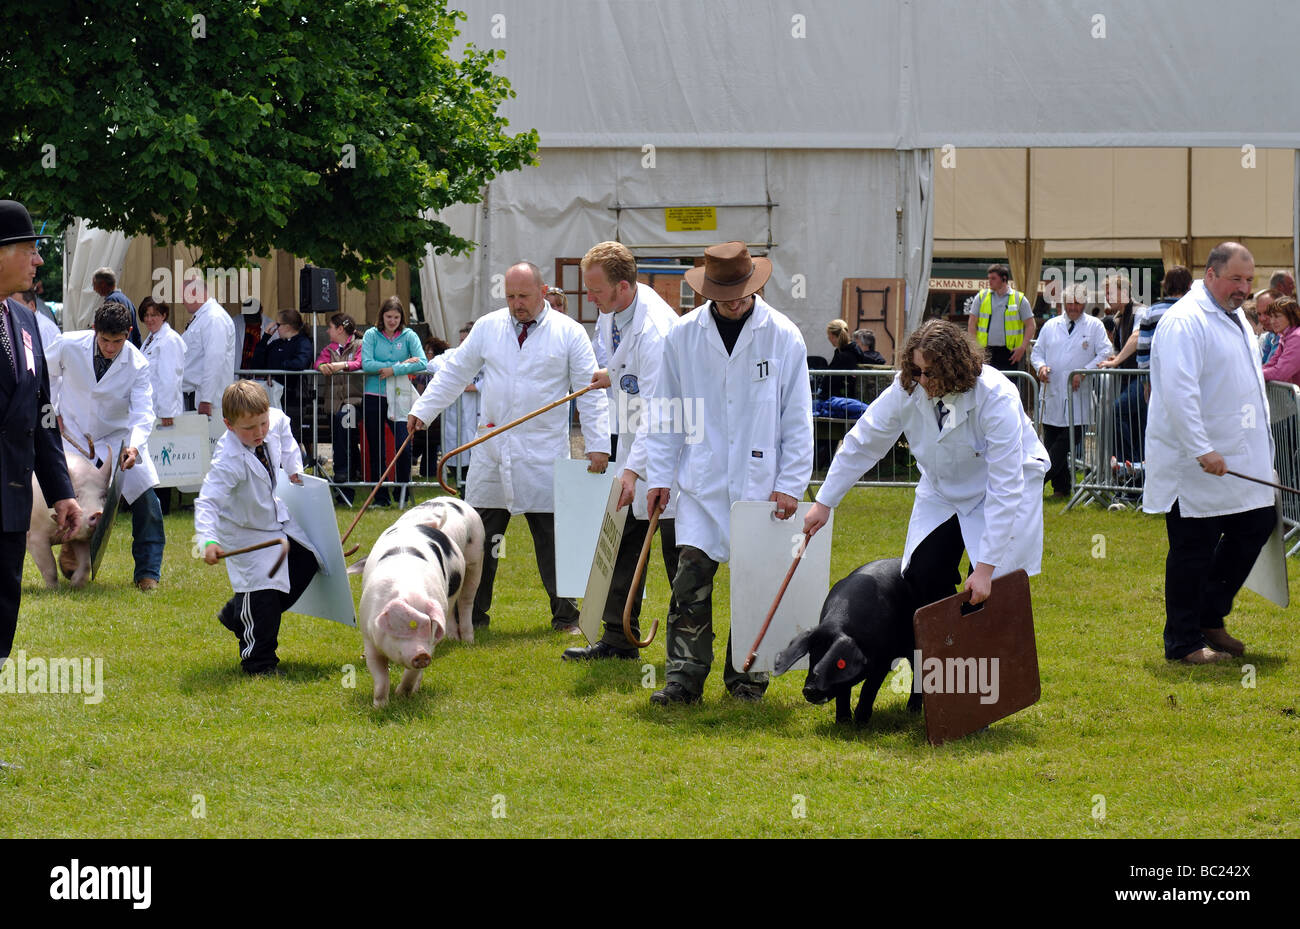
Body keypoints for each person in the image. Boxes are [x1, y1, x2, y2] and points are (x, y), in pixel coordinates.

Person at [644, 241, 812, 704]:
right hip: (701, 482)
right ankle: (683, 677)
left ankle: (747, 677)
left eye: (740, 292)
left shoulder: (783, 335)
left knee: (756, 584)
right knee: (689, 583)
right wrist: (658, 476)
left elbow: (798, 416)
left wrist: (790, 483)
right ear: (707, 291)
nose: (733, 301)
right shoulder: (682, 337)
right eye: (723, 294)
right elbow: (666, 413)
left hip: (762, 485)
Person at [407, 261, 610, 633]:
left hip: (543, 452)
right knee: (480, 540)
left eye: (524, 296)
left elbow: (591, 391)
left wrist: (598, 445)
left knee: (553, 540)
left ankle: (566, 617)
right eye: (511, 296)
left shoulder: (569, 332)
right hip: (492, 447)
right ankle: (471, 616)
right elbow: (454, 372)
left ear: (543, 291)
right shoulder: (488, 327)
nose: (517, 303)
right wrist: (424, 410)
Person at [807, 319, 1047, 621]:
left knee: (991, 592)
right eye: (915, 370)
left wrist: (986, 569)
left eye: (929, 372)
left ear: (954, 367)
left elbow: (1005, 485)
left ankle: (991, 664)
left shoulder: (997, 396)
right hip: (942, 489)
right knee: (922, 575)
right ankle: (942, 659)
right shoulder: (906, 387)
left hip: (999, 490)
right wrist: (824, 502)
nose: (921, 380)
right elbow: (864, 441)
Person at [1144, 242, 1275, 665]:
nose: (1243, 288)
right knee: (1192, 548)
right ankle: (1182, 643)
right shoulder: (1184, 321)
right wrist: (1202, 448)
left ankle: (1210, 614)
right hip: (1196, 463)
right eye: (1236, 279)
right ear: (1212, 275)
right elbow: (1179, 391)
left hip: (1238, 460)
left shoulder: (1235, 316)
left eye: (1249, 280)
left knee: (1258, 521)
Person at [562, 241, 680, 661]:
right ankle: (618, 637)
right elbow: (618, 360)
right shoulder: (612, 309)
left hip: (668, 448)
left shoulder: (656, 333)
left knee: (676, 549)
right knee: (624, 538)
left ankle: (684, 652)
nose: (589, 298)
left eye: (595, 291)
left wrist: (631, 471)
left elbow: (658, 411)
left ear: (624, 286)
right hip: (634, 438)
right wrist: (607, 375)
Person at [0, 200, 81, 667]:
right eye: (30, 249)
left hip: (10, 507)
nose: (39, 260)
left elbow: (41, 413)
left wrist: (61, 492)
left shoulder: (29, 323)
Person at [196, 380, 322, 675]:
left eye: (262, 424)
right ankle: (259, 662)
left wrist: (293, 469)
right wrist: (207, 541)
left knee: (307, 561)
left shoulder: (272, 419)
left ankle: (239, 612)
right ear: (228, 425)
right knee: (264, 591)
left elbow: (285, 433)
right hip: (242, 530)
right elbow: (207, 503)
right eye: (249, 429)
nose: (259, 433)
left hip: (274, 519)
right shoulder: (227, 460)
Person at [47, 302, 165, 590]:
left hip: (119, 440)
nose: (111, 348)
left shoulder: (138, 364)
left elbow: (143, 411)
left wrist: (135, 446)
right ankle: (71, 552)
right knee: (69, 499)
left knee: (148, 502)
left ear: (128, 333)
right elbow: (43, 374)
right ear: (93, 331)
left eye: (118, 341)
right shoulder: (67, 344)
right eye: (105, 340)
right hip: (73, 436)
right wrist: (53, 410)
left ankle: (147, 573)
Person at [1030, 284, 1110, 496]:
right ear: (1064, 304)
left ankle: (1034, 483)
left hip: (1078, 396)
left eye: (1078, 303)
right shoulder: (1050, 325)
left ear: (1084, 303)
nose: (1074, 307)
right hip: (1053, 393)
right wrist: (1041, 367)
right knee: (1051, 441)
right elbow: (1036, 353)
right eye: (1070, 303)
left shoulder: (1094, 326)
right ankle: (1061, 488)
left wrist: (1084, 371)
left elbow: (1105, 353)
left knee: (1061, 446)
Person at [361, 297, 425, 506]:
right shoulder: (371, 334)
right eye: (388, 316)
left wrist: (393, 370)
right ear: (382, 316)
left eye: (396, 317)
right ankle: (380, 497)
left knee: (403, 446)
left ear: (402, 318)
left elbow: (422, 361)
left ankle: (402, 493)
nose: (392, 321)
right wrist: (400, 364)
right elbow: (367, 364)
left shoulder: (409, 335)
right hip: (374, 396)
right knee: (376, 448)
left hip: (399, 397)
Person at [316, 312, 364, 494]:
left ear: (340, 329)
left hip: (353, 403)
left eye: (330, 327)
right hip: (334, 406)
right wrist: (322, 367)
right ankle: (345, 482)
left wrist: (340, 366)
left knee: (347, 440)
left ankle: (343, 475)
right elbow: (319, 362)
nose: (327, 331)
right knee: (342, 441)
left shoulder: (360, 345)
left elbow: (360, 363)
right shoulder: (329, 349)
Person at [430, 321, 481, 490]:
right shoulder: (453, 355)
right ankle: (463, 491)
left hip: (479, 415)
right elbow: (432, 364)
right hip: (455, 420)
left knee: (479, 460)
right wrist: (454, 375)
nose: (462, 345)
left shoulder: (486, 357)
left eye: (466, 340)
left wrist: (476, 387)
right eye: (460, 340)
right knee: (456, 457)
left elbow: (499, 376)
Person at [252, 308, 314, 440]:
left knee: (290, 436)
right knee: (272, 435)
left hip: (293, 398)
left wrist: (275, 371)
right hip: (273, 397)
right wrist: (265, 338)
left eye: (278, 325)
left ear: (288, 326)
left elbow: (300, 363)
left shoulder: (303, 342)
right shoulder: (276, 344)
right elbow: (257, 363)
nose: (276, 328)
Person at [180, 278, 238, 417]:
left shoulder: (214, 318)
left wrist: (206, 399)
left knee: (210, 439)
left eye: (183, 297)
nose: (182, 302)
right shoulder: (203, 317)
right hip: (194, 398)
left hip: (208, 403)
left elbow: (214, 360)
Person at [965, 263, 1035, 371]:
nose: (990, 281)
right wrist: (975, 349)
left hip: (1011, 352)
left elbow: (1031, 325)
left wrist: (1022, 348)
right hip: (986, 351)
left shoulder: (1019, 298)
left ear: (1004, 279)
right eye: (989, 278)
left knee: (1010, 384)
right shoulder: (981, 297)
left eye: (993, 278)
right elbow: (971, 324)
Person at [139, 298, 187, 428]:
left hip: (164, 416)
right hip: (151, 409)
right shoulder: (151, 338)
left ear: (164, 315)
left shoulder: (170, 339)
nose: (149, 319)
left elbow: (170, 378)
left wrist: (167, 412)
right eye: (146, 315)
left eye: (154, 315)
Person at [91, 266, 141, 347]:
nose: (94, 289)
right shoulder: (127, 300)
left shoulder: (111, 302)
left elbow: (108, 332)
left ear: (103, 284)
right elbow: (136, 335)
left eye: (94, 285)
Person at [1261, 296, 1300, 386]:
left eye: (1277, 316)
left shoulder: (1296, 337)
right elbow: (1271, 363)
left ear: (1291, 317)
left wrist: (1254, 374)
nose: (1273, 321)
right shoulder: (1284, 336)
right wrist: (1256, 372)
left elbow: (1280, 373)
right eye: (1271, 317)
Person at [1257, 289, 1284, 364]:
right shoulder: (1270, 336)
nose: (1262, 318)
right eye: (1259, 314)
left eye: (1267, 313)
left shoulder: (1292, 338)